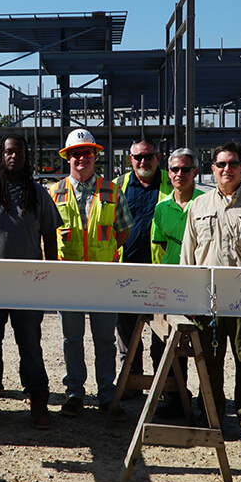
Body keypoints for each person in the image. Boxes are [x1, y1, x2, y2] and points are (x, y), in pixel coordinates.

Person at [180, 141, 241, 452]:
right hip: (208, 300)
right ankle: (213, 419)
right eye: (221, 164)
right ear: (212, 169)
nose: (227, 169)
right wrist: (187, 298)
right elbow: (188, 256)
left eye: (233, 164)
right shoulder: (199, 206)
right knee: (209, 363)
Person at [0, 133, 62, 429]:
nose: (13, 156)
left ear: (25, 155)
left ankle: (39, 403)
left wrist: (49, 277)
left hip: (27, 287)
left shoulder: (39, 193)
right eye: (8, 151)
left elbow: (50, 240)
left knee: (30, 344)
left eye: (18, 151)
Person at [49, 129, 132, 421]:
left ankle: (107, 395)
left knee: (105, 339)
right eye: (75, 153)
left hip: (103, 276)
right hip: (69, 277)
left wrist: (102, 251)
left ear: (95, 156)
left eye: (87, 152)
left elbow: (123, 231)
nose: (81, 158)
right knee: (72, 338)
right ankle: (74, 394)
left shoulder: (111, 190)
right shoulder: (55, 191)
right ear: (67, 158)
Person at [149, 148, 203, 419]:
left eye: (185, 169)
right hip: (170, 286)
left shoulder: (205, 204)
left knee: (204, 345)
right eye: (174, 169)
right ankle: (175, 398)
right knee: (165, 345)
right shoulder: (161, 208)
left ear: (195, 172)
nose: (179, 174)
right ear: (168, 173)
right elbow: (158, 251)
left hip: (200, 284)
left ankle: (208, 402)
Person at [113, 139, 171, 384]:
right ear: (130, 159)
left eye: (149, 156)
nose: (143, 161)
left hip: (162, 274)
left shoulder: (173, 181)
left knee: (163, 338)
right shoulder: (119, 185)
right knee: (126, 335)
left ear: (158, 157)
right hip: (127, 271)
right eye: (138, 157)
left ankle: (166, 388)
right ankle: (130, 383)